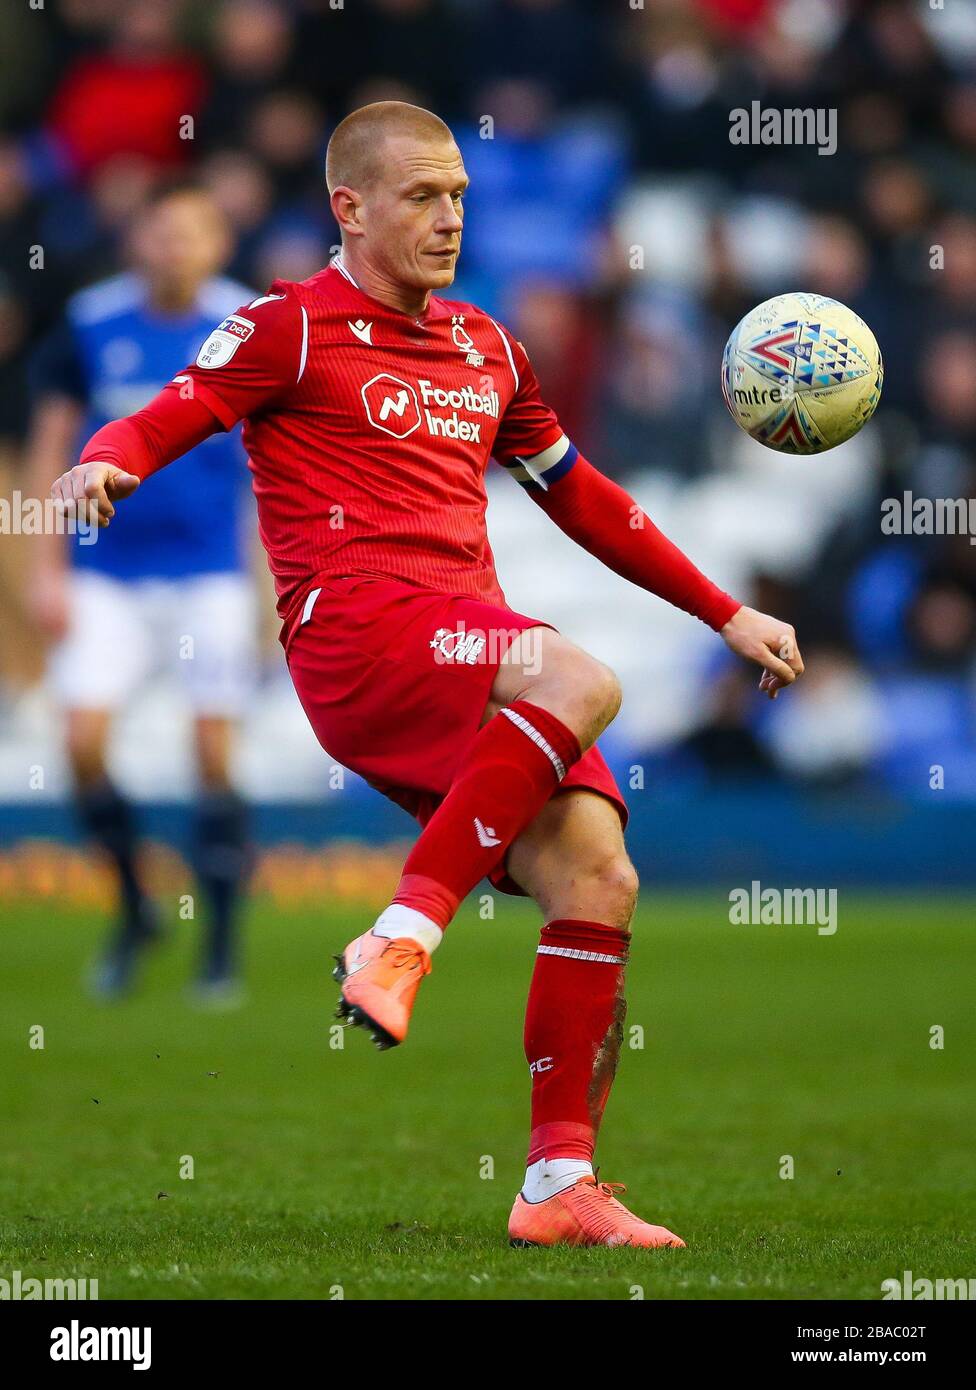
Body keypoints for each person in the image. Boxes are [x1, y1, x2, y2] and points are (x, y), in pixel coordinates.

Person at [49, 103, 804, 1247]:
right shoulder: (286, 328)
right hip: (356, 635)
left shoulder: (488, 346)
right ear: (349, 208)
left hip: (466, 646)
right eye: (420, 197)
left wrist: (725, 609)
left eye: (458, 194)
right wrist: (104, 465)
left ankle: (558, 1181)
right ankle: (403, 931)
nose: (450, 217)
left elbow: (585, 497)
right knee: (578, 674)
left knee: (598, 875)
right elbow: (170, 413)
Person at [29, 182, 256, 1004]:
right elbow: (49, 447)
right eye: (160, 233)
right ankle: (135, 906)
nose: (175, 249)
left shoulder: (247, 327)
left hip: (209, 575)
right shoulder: (91, 325)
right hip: (107, 574)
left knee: (212, 755)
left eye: (192, 233)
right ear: (139, 242)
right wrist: (42, 565)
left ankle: (221, 947)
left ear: (217, 244)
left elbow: (271, 466)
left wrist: (274, 585)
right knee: (82, 743)